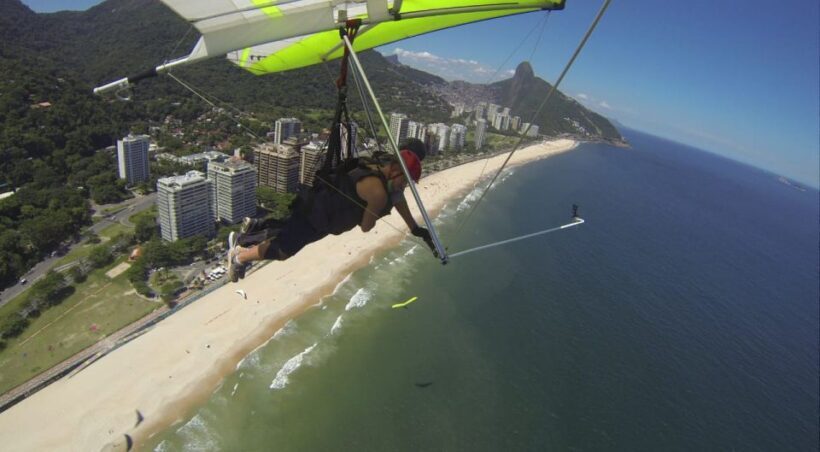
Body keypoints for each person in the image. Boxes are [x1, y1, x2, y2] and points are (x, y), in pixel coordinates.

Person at [227, 143, 435, 282]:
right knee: (283, 250)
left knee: (286, 229)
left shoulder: (376, 161)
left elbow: (397, 197)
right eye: (404, 180)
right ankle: (239, 257)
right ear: (396, 170)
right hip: (319, 218)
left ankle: (249, 233)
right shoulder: (379, 192)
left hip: (317, 201)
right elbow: (366, 227)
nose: (404, 185)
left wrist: (414, 228)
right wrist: (378, 208)